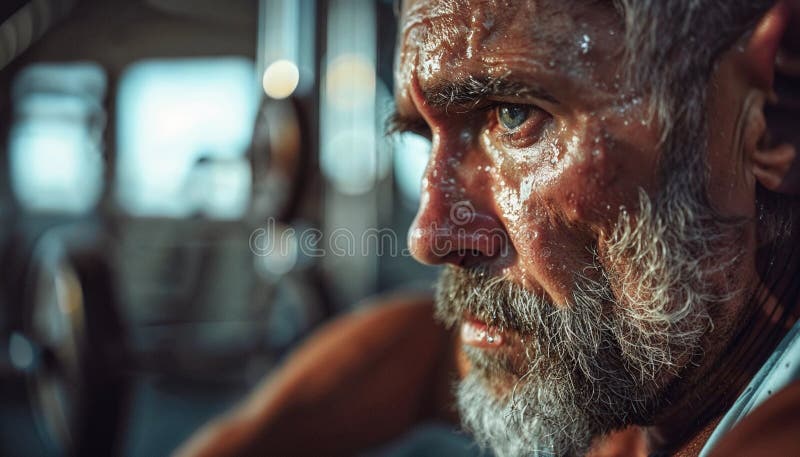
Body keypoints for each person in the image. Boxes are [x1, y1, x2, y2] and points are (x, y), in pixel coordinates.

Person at [176, 1, 800, 455]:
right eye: (425, 136)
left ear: (767, 115)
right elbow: (424, 352)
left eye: (513, 116)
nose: (430, 235)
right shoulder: (636, 354)